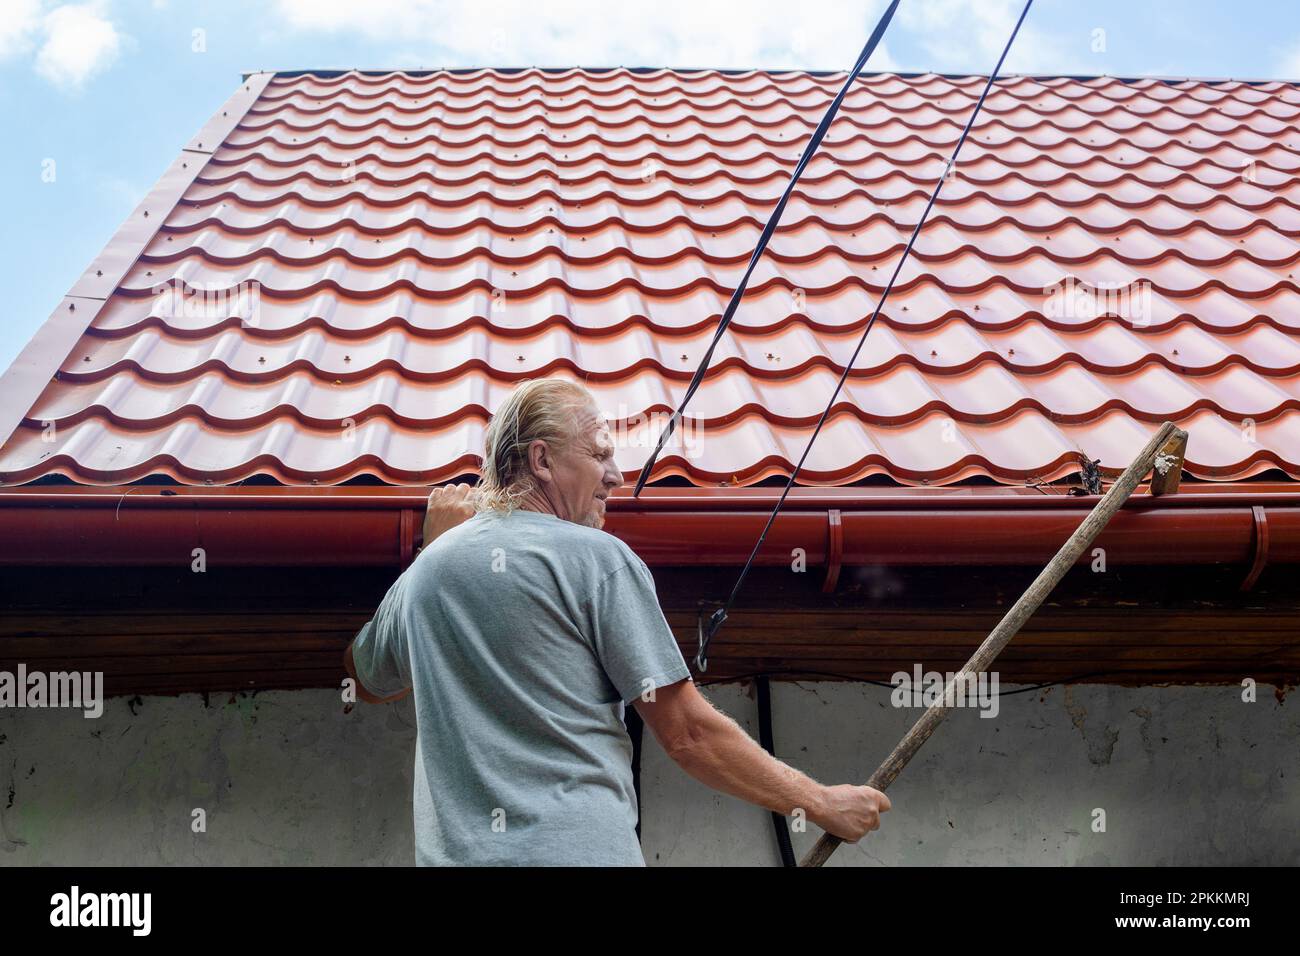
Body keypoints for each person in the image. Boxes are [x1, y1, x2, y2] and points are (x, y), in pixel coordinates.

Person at [344, 377, 890, 865]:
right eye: (600, 454)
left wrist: (430, 560)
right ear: (541, 460)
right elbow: (687, 734)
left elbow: (362, 679)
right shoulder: (598, 558)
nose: (616, 474)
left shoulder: (427, 571)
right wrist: (820, 802)